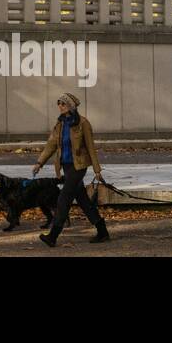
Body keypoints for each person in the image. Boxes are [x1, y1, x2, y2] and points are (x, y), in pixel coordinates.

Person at [33, 92, 110, 245]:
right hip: (66, 167)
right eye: (58, 103)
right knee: (83, 201)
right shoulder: (60, 124)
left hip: (78, 167)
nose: (60, 106)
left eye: (63, 103)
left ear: (71, 106)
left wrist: (97, 170)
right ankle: (103, 232)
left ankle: (53, 236)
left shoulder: (83, 123)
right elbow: (51, 145)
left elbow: (91, 147)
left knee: (63, 199)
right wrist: (39, 163)